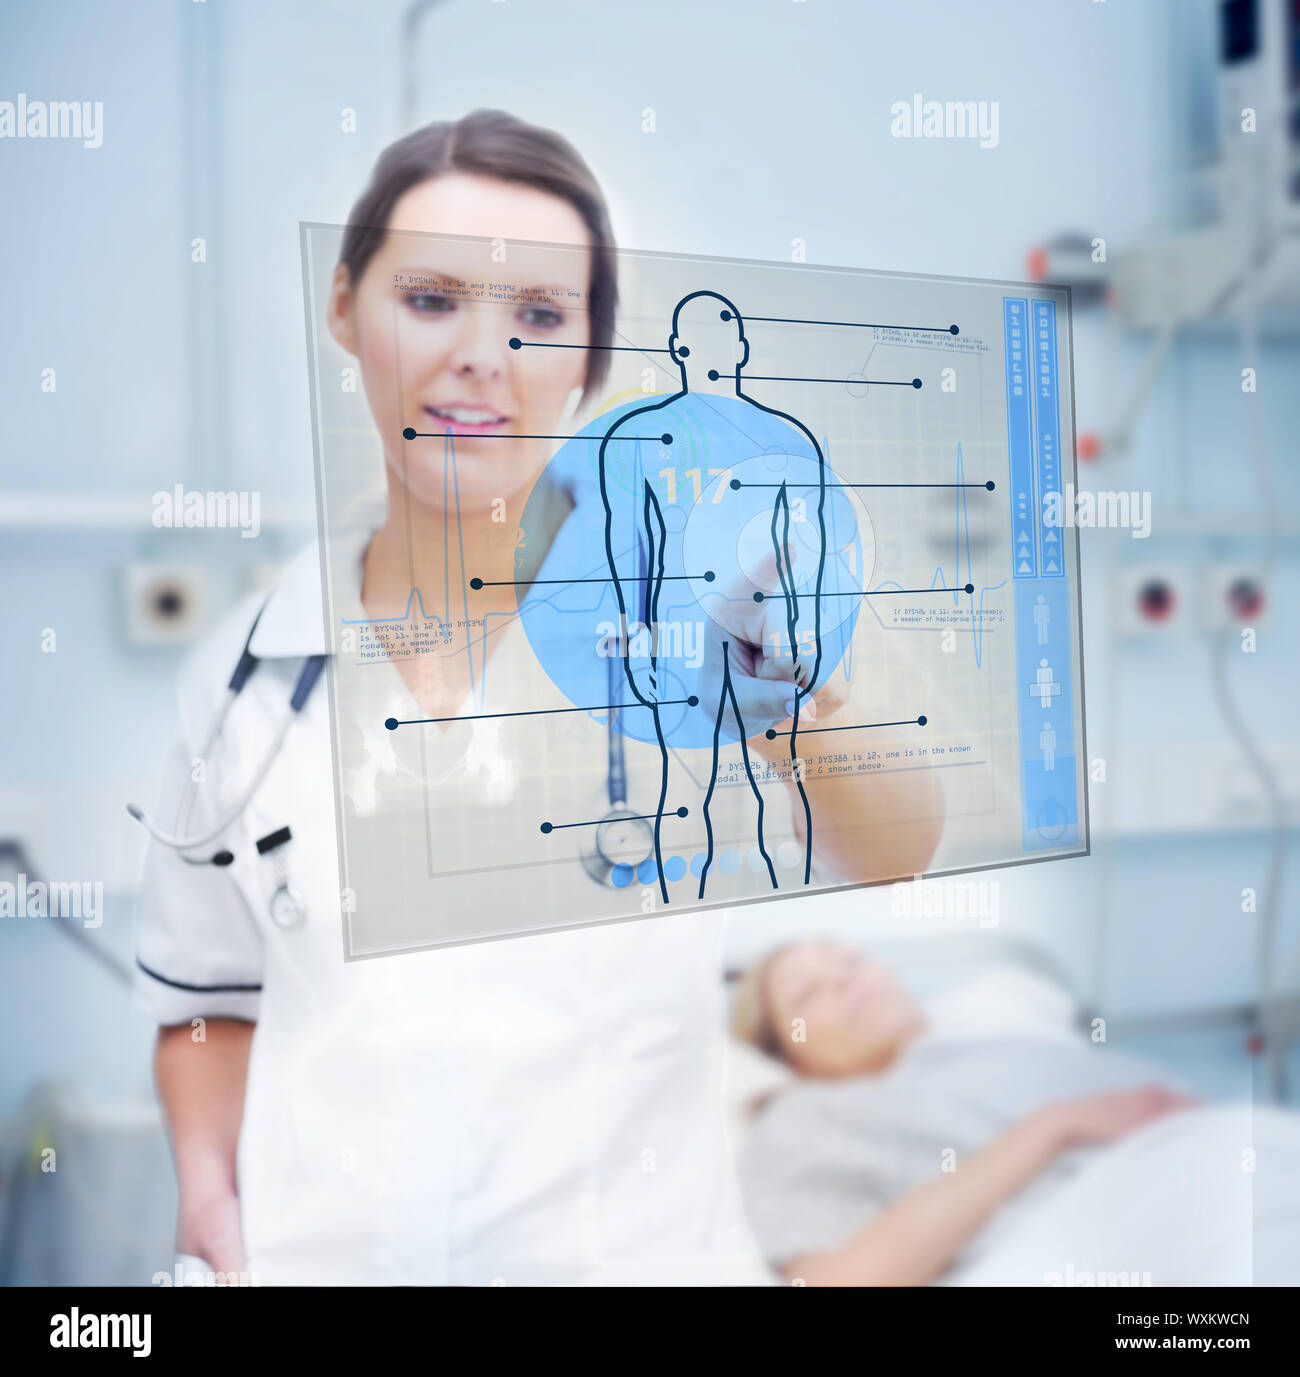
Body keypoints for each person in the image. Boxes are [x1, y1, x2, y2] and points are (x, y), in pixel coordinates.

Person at [133, 109, 943, 1285]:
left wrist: (800, 691)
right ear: (344, 308)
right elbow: (206, 997)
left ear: (590, 363)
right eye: (429, 299)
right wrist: (208, 1187)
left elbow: (902, 847)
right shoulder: (244, 674)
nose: (481, 356)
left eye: (538, 317)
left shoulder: (697, 628)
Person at [730, 940, 1196, 1286]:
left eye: (852, 959)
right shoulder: (798, 1121)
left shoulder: (990, 1040)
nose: (843, 978)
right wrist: (1052, 1127)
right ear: (786, 1056)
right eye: (807, 993)